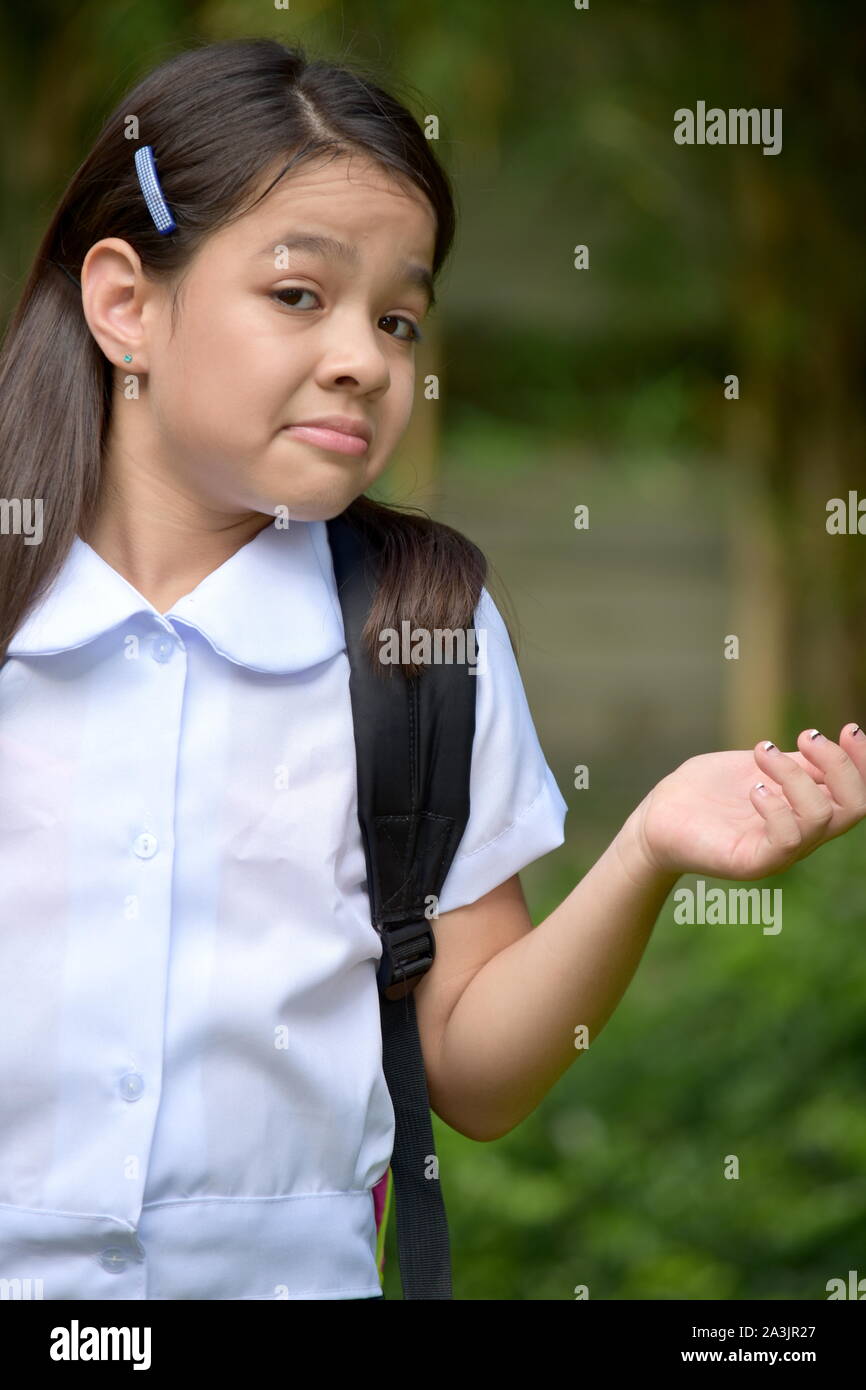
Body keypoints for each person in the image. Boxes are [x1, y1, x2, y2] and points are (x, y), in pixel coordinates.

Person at [0, 37, 864, 1303]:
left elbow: (471, 1070)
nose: (364, 357)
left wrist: (645, 851)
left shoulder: (421, 626)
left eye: (397, 316)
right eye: (300, 295)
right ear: (127, 303)